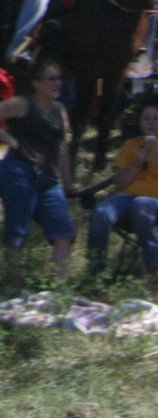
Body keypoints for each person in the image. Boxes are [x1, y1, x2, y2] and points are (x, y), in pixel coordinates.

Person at [85, 96, 158, 280]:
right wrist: (136, 164)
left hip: (156, 199)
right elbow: (119, 184)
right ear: (140, 122)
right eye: (146, 118)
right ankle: (94, 274)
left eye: (156, 118)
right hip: (125, 197)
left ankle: (153, 269)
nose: (150, 123)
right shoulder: (131, 145)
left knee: (141, 205)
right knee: (101, 212)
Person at [0, 60, 76, 283]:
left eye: (59, 79)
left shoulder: (60, 110)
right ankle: (15, 285)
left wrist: (69, 181)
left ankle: (60, 290)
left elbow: (62, 147)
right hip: (19, 170)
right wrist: (10, 140)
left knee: (63, 232)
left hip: (49, 177)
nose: (57, 83)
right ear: (36, 84)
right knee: (18, 229)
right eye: (50, 79)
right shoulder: (22, 104)